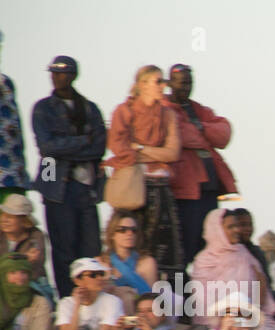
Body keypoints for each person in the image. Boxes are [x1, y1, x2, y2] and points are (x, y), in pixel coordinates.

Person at [32, 55, 106, 298]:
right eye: (53, 72)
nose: (56, 77)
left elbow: (99, 147)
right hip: (55, 185)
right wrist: (82, 142)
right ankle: (67, 303)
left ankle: (91, 302)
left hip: (86, 187)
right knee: (63, 251)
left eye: (61, 73)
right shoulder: (43, 108)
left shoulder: (90, 108)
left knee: (90, 250)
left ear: (73, 75)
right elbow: (46, 147)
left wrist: (65, 147)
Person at [106, 66, 182, 280]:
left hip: (161, 191)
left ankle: (161, 310)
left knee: (164, 258)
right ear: (143, 85)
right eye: (158, 81)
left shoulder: (168, 114)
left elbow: (173, 153)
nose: (163, 86)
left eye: (163, 81)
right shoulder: (123, 111)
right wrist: (155, 155)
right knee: (126, 247)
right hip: (132, 190)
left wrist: (140, 149)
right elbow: (118, 148)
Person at [165, 64, 235, 265]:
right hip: (184, 191)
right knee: (185, 248)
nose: (186, 88)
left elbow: (224, 134)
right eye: (181, 83)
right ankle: (183, 294)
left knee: (210, 243)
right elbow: (181, 136)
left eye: (189, 83)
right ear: (169, 83)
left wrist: (200, 127)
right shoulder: (164, 109)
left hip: (209, 188)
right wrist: (204, 133)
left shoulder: (198, 110)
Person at [190, 208, 275, 328]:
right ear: (217, 230)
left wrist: (251, 315)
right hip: (217, 326)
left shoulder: (244, 253)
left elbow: (261, 283)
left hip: (252, 322)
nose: (237, 230)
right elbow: (202, 301)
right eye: (230, 227)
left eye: (237, 226)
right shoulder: (204, 260)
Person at [97, 209, 157, 312]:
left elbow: (152, 298)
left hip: (141, 312)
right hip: (110, 313)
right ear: (112, 234)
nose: (129, 233)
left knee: (128, 297)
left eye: (133, 230)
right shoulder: (100, 262)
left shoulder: (147, 262)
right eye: (122, 230)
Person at [0, 194, 52, 298]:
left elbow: (33, 269)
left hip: (31, 283)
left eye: (10, 216)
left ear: (24, 221)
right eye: (3, 215)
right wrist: (24, 258)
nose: (4, 220)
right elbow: (24, 262)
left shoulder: (36, 236)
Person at [0, 36, 29, 199]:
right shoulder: (45, 109)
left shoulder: (7, 83)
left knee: (18, 221)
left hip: (15, 174)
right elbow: (49, 147)